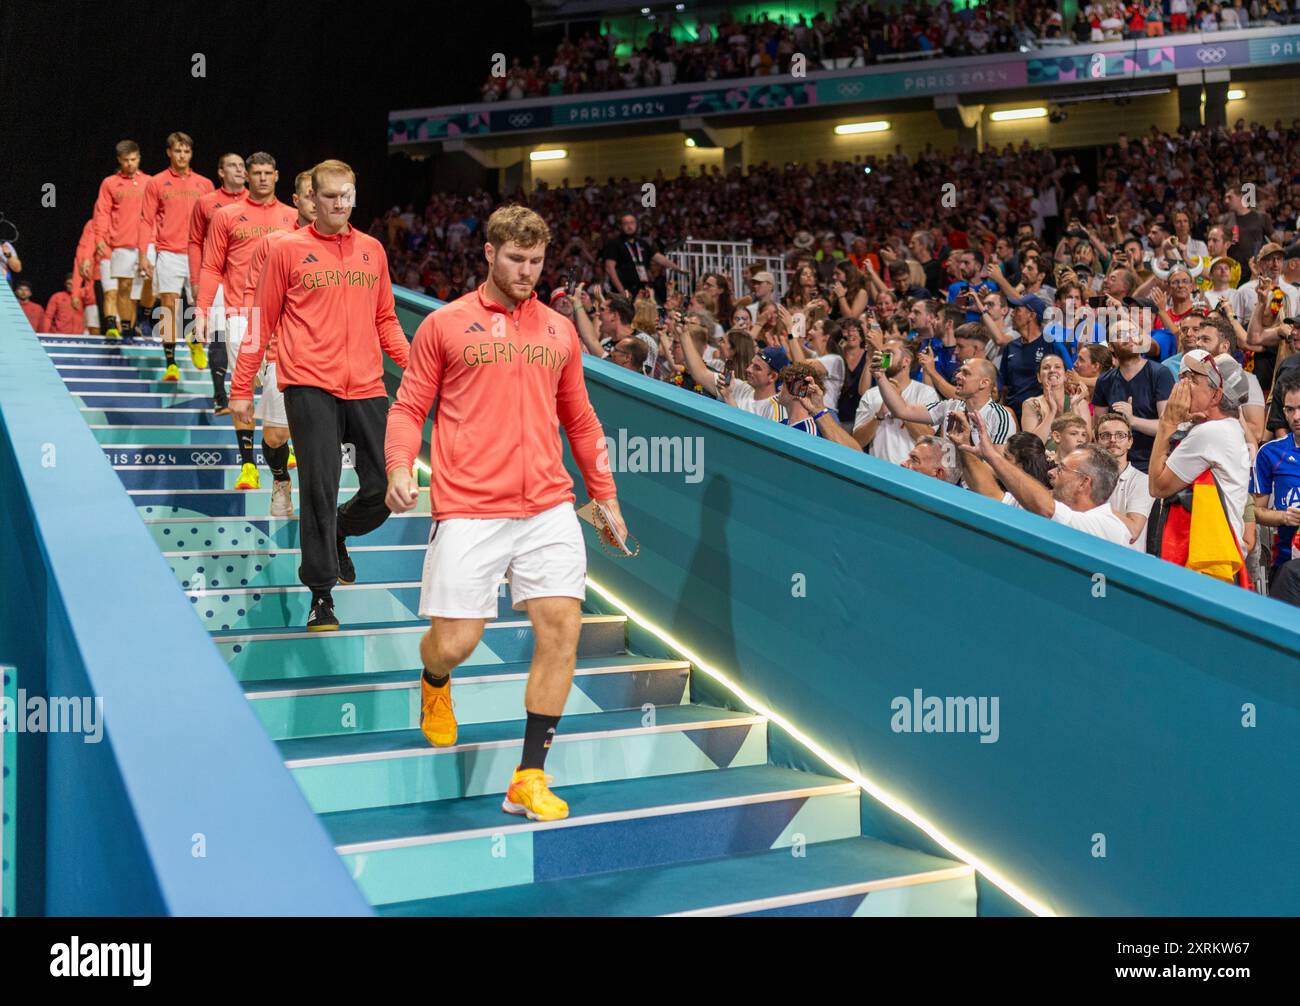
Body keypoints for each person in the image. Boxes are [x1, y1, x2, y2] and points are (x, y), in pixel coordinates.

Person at [385, 203, 624, 824]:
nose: (526, 272)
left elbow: (580, 418)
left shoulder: (558, 330)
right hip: (469, 507)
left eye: (536, 261)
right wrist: (396, 467)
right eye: (515, 259)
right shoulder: (444, 325)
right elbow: (409, 407)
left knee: (561, 630)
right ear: (488, 254)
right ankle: (433, 679)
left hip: (547, 505)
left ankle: (529, 775)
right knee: (457, 642)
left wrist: (606, 496)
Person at [234, 159, 410, 630]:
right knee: (318, 486)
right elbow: (262, 319)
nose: (339, 203)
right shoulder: (287, 249)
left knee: (385, 489)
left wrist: (414, 367)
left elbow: (386, 319)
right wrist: (241, 387)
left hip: (368, 384)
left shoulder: (373, 250)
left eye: (346, 194)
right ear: (312, 198)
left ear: (355, 195)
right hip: (308, 382)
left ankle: (339, 530)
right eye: (329, 195)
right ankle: (321, 594)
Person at [198, 152, 297, 490]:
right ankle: (248, 465)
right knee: (243, 391)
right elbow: (211, 267)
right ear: (247, 176)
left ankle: (280, 442)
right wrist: (201, 311)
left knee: (279, 385)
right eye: (256, 173)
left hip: (285, 321)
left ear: (277, 176)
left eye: (268, 173)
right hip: (242, 315)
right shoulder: (227, 216)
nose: (262, 178)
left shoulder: (293, 217)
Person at [233, 170, 316, 516]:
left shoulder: (354, 249)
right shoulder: (274, 244)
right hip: (282, 354)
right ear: (297, 200)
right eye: (312, 194)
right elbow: (256, 302)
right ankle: (281, 479)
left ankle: (320, 514)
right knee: (276, 437)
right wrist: (251, 358)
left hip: (329, 360)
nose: (321, 201)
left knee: (320, 444)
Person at [960, 409, 1130, 545]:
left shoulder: (1109, 527)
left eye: (1061, 469)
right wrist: (963, 445)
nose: (1051, 472)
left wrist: (993, 456)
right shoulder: (1047, 504)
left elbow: (1047, 509)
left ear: (1083, 483)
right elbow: (991, 494)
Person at [1147, 349, 1252, 546]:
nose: (1182, 385)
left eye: (1193, 380)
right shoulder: (1226, 427)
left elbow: (1157, 486)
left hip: (1208, 556)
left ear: (1215, 396)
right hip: (1214, 552)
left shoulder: (1210, 433)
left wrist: (1167, 423)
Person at [138, 131, 213, 378]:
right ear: (169, 152)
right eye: (177, 151)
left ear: (191, 154)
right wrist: (143, 254)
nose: (182, 155)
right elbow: (146, 219)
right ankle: (171, 363)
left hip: (198, 254)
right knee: (168, 305)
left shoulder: (204, 184)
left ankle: (194, 341)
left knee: (197, 306)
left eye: (186, 151)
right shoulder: (157, 182)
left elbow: (214, 222)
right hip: (168, 252)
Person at [188, 152, 248, 412]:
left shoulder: (255, 204)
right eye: (232, 166)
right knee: (219, 336)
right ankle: (220, 395)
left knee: (249, 340)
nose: (239, 170)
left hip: (249, 284)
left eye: (242, 166)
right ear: (221, 172)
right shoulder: (206, 202)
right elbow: (194, 242)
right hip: (219, 282)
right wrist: (196, 280)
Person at [1090, 320, 1174, 472]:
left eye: (1133, 333)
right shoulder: (1105, 380)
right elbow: (1098, 428)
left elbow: (1168, 426)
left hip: (1152, 462)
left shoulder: (1160, 373)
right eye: (1121, 334)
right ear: (1110, 346)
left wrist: (1133, 421)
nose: (1129, 337)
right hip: (1114, 463)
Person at [92, 139, 150, 340]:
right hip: (122, 243)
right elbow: (102, 212)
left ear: (139, 158)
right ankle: (128, 328)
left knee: (151, 286)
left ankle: (143, 319)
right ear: (119, 159)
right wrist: (99, 237)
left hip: (148, 243)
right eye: (126, 160)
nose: (130, 164)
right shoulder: (109, 183)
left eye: (133, 160)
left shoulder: (150, 182)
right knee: (125, 290)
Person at [1253, 373, 1300, 603]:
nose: (1296, 416)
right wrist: (1283, 517)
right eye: (1290, 409)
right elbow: (1255, 511)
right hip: (1284, 565)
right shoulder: (1270, 453)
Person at [853, 338, 939, 461]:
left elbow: (926, 437)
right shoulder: (871, 395)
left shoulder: (926, 393)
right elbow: (858, 441)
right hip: (879, 471)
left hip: (912, 473)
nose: (883, 357)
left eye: (889, 353)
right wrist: (879, 416)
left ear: (906, 361)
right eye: (882, 353)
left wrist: (899, 404)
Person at [998, 294, 1067, 415]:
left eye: (1017, 310)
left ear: (1032, 315)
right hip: (1013, 414)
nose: (1012, 314)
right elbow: (1004, 386)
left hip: (1040, 414)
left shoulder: (1052, 345)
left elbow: (1067, 377)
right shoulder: (1010, 347)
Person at [1095, 410, 1154, 548]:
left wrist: (1089, 502)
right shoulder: (1087, 478)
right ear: (1097, 441)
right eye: (1105, 435)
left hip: (1125, 560)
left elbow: (1133, 530)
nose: (1113, 440)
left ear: (1130, 442)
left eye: (1120, 435)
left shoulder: (1142, 481)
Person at [601, 211, 685, 296]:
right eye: (626, 223)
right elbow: (609, 268)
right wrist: (622, 291)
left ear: (637, 225)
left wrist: (678, 269)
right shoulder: (614, 244)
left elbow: (659, 258)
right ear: (621, 226)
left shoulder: (642, 243)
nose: (629, 226)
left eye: (632, 223)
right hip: (624, 290)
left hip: (641, 290)